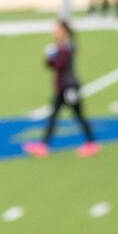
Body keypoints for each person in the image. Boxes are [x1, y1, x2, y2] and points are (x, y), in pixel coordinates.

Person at [23, 21, 100, 158]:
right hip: (61, 88)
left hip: (69, 88)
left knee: (78, 115)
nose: (55, 31)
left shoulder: (67, 46)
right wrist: (50, 57)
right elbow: (51, 65)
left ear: (64, 31)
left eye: (58, 29)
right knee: (53, 116)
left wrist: (52, 56)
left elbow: (60, 64)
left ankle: (92, 143)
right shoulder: (60, 46)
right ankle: (43, 145)